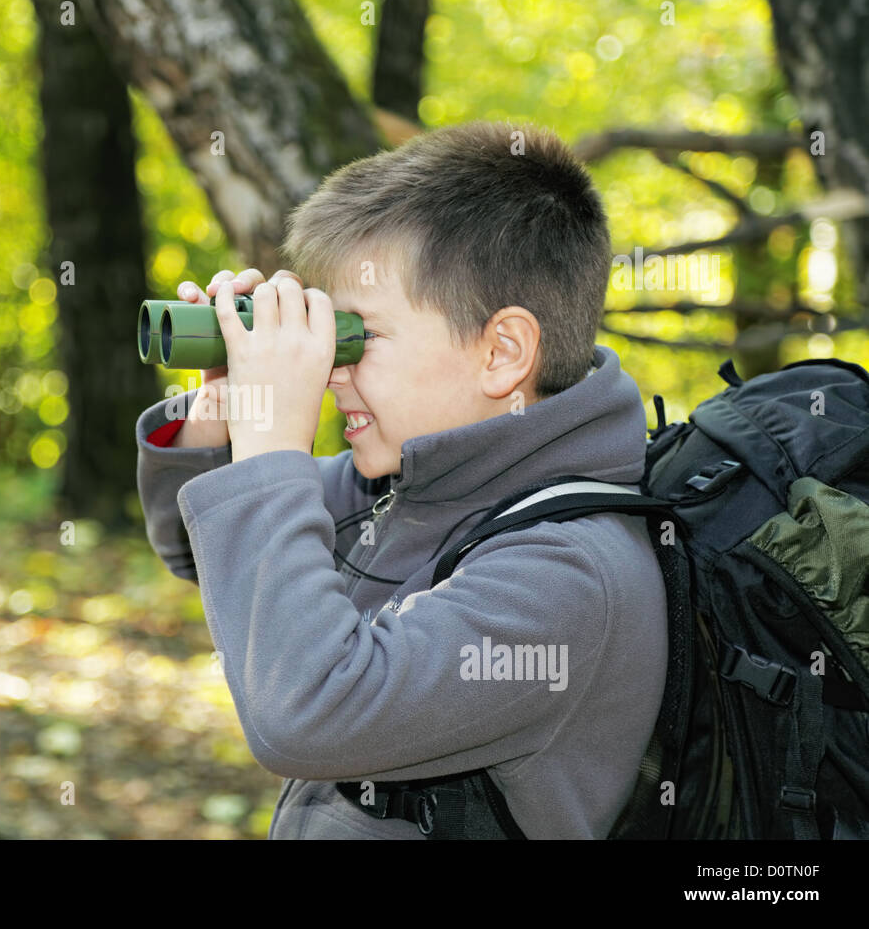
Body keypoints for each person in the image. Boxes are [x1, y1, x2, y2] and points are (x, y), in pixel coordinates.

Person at [134, 120, 667, 839]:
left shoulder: (571, 577)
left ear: (503, 352)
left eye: (359, 335)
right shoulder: (417, 487)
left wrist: (271, 452)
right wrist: (231, 407)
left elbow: (307, 713)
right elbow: (203, 550)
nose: (329, 370)